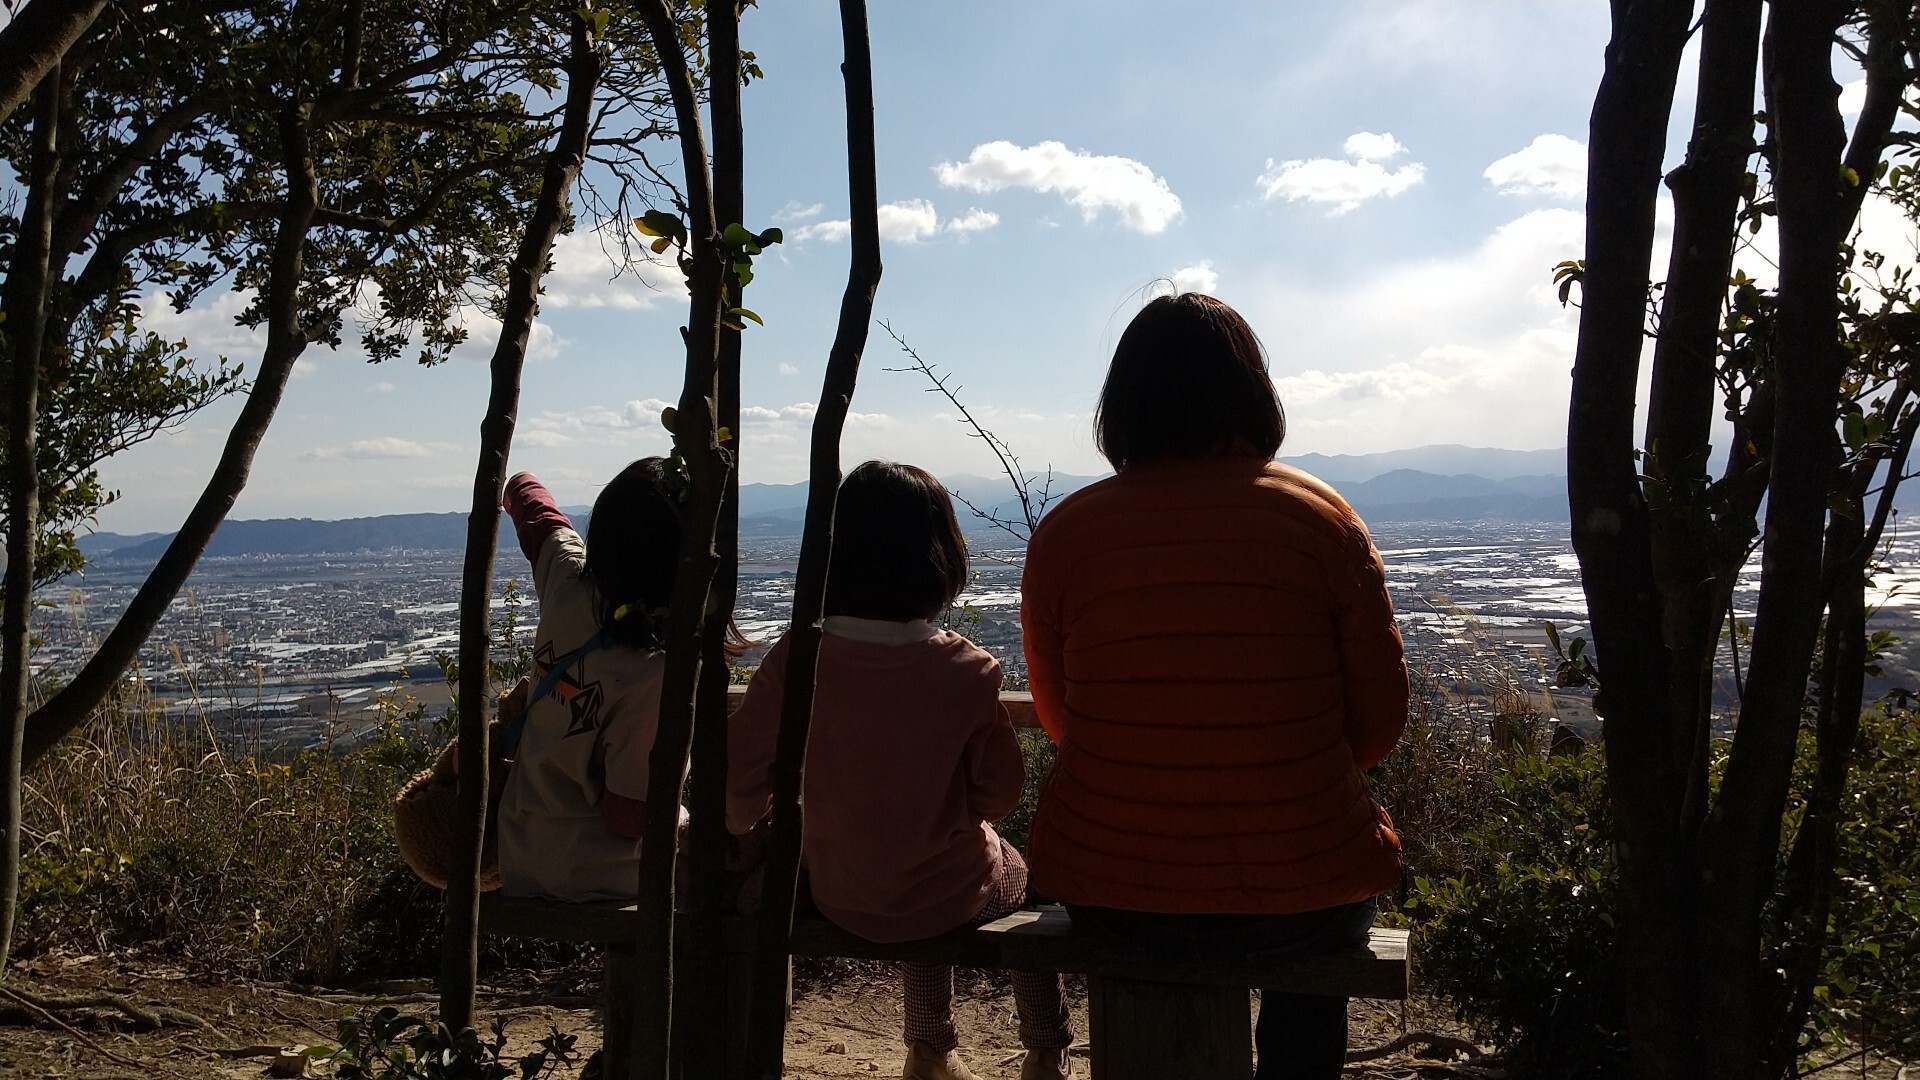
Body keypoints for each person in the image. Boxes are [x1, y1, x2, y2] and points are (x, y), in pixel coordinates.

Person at [1019, 293, 1408, 1080]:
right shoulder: (1324, 520)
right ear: (1254, 393)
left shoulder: (1068, 534)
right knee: (1315, 962)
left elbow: (1063, 721)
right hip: (1305, 888)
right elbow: (1377, 729)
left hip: (1115, 886)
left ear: (1120, 405)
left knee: (1142, 968)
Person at [728, 461, 1074, 1080]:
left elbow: (735, 795)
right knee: (1008, 874)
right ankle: (1046, 1049)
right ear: (941, 558)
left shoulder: (794, 662)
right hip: (941, 888)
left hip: (840, 887)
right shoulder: (967, 671)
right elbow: (999, 791)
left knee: (928, 867)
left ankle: (929, 1049)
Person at [496, 460, 681, 902]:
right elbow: (629, 816)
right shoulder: (654, 672)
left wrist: (519, 483)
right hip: (598, 871)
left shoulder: (566, 582)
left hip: (519, 854)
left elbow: (542, 523)